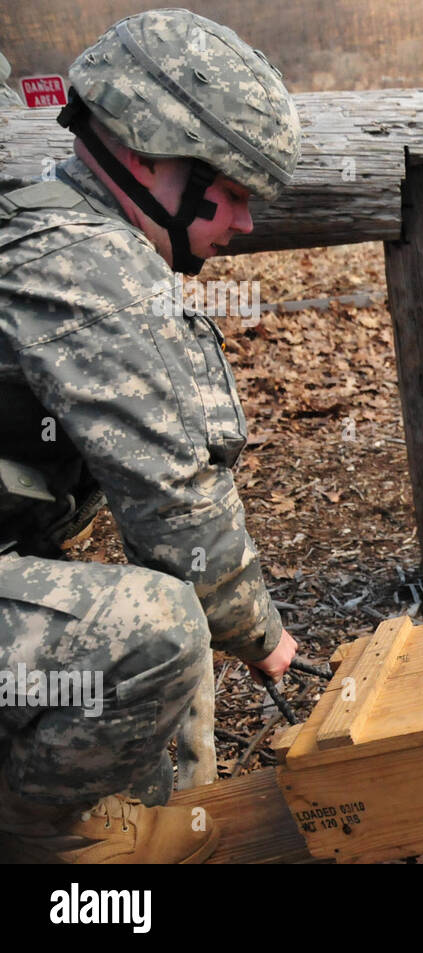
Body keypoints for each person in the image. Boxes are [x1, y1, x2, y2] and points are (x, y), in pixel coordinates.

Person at [0, 9, 301, 863]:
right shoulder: (88, 267)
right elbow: (174, 505)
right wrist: (264, 636)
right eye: (232, 193)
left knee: (137, 766)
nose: (244, 223)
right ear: (145, 156)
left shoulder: (47, 224)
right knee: (153, 631)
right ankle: (32, 848)